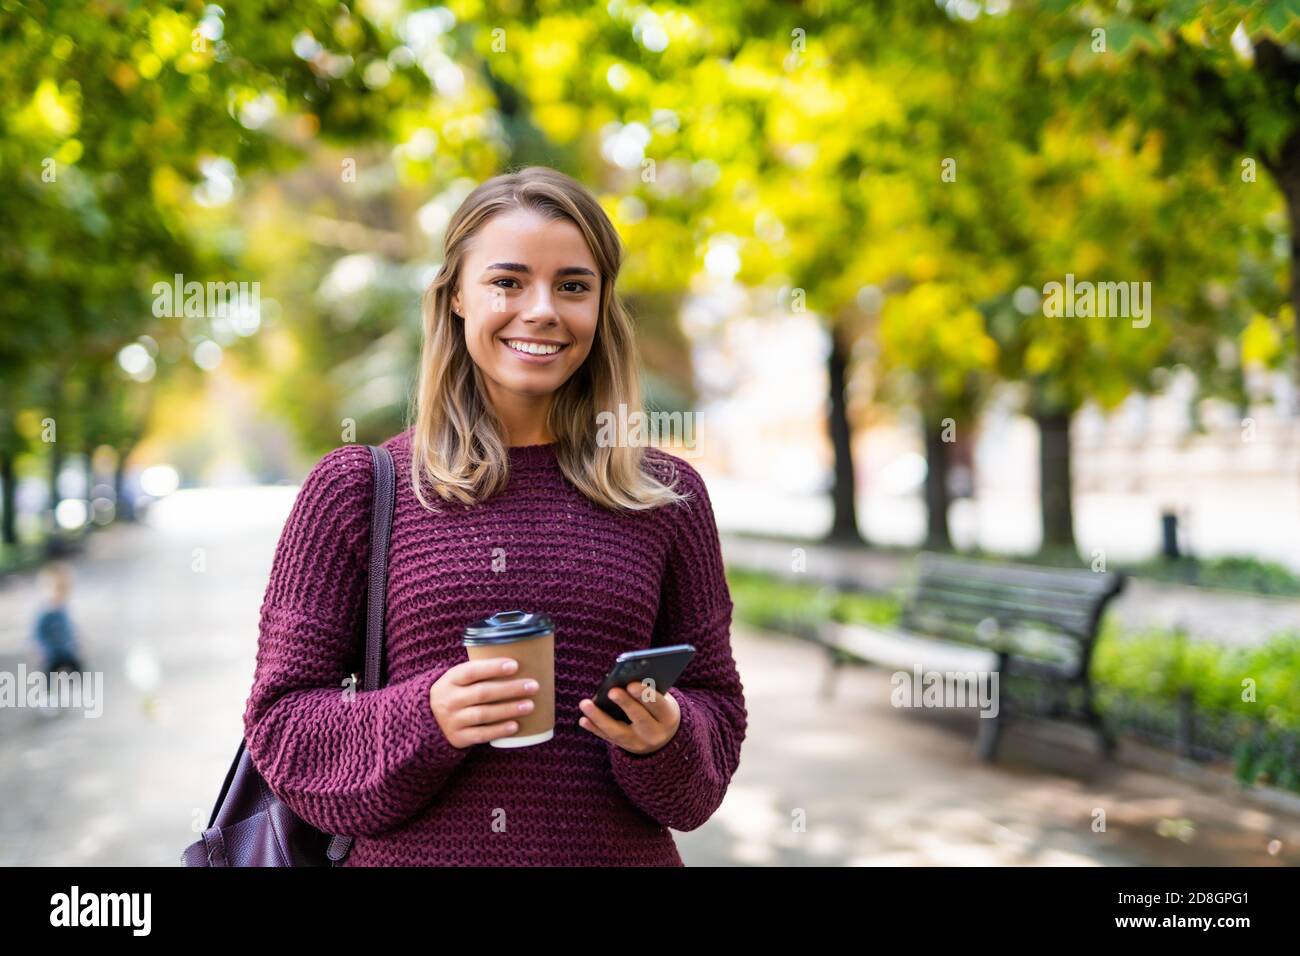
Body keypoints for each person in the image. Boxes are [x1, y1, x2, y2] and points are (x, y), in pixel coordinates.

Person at [243, 166, 748, 866]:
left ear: (601, 306)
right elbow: (282, 731)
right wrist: (428, 717)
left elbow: (714, 732)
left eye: (573, 286)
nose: (542, 310)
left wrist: (668, 735)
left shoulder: (664, 496)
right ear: (455, 298)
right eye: (507, 282)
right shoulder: (358, 489)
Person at [32, 561, 85, 718]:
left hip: (66, 650)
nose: (59, 597)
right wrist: (40, 647)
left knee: (75, 667)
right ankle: (47, 698)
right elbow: (37, 633)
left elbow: (69, 628)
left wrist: (76, 640)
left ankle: (72, 688)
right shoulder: (45, 612)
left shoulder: (63, 609)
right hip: (51, 652)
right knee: (48, 675)